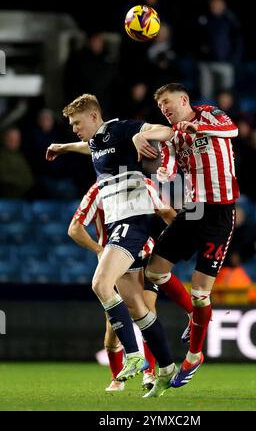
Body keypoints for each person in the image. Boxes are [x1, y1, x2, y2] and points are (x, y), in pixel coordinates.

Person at [46, 93, 188, 397]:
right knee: (137, 306)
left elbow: (166, 131)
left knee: (100, 282)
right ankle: (165, 367)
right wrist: (65, 148)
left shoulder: (122, 129)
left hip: (132, 220)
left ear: (95, 118)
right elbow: (92, 148)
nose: (73, 128)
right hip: (117, 225)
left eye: (76, 123)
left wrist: (142, 136)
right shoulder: (98, 142)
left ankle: (135, 355)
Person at [132, 82, 240, 389]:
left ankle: (194, 355)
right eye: (160, 106)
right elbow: (164, 163)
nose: (165, 109)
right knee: (154, 270)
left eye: (168, 102)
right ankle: (195, 315)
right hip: (193, 210)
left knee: (201, 291)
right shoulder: (173, 134)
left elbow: (231, 130)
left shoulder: (209, 113)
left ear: (184, 99)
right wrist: (146, 145)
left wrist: (199, 129)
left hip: (220, 212)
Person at [68, 178, 177, 392]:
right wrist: (100, 250)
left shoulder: (141, 183)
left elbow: (165, 213)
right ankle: (118, 378)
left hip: (144, 256)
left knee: (146, 307)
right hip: (116, 261)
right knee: (112, 329)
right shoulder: (98, 190)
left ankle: (150, 372)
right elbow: (74, 229)